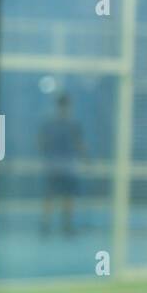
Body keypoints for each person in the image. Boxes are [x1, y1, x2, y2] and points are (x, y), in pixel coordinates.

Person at [37, 92, 86, 235]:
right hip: (62, 167)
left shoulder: (54, 124)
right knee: (58, 196)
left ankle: (55, 225)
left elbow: (40, 143)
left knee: (59, 197)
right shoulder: (69, 125)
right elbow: (80, 145)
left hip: (58, 166)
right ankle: (59, 225)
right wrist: (85, 158)